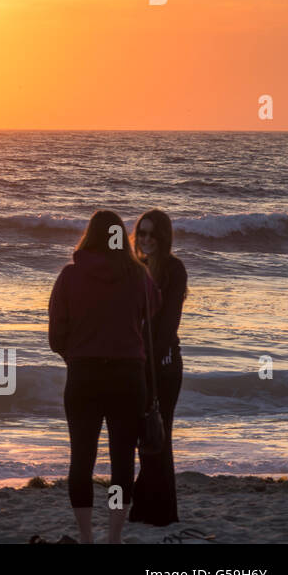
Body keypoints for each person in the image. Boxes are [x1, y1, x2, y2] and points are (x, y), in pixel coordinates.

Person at [48, 209, 157, 543]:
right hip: (127, 377)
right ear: (120, 238)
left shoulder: (69, 276)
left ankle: (86, 537)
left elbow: (55, 337)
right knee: (122, 461)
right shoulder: (138, 276)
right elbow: (152, 310)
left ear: (89, 236)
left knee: (82, 459)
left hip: (84, 377)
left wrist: (77, 356)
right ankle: (114, 536)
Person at [129, 209, 187, 526]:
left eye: (152, 234)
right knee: (146, 439)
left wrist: (148, 363)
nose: (146, 239)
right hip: (139, 363)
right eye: (142, 233)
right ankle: (146, 509)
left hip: (164, 366)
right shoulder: (136, 268)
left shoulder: (174, 270)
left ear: (162, 237)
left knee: (159, 436)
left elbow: (167, 326)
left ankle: (163, 513)